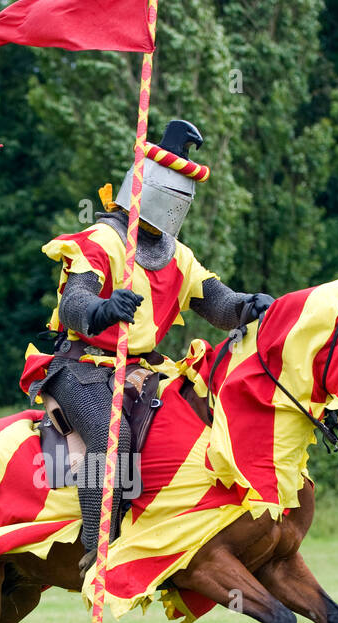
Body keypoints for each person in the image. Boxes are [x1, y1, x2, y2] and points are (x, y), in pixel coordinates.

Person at [29, 119, 273, 568]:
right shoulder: (103, 241)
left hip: (143, 371)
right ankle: (95, 543)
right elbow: (74, 303)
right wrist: (103, 311)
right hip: (83, 366)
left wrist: (252, 306)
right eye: (174, 195)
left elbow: (217, 303)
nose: (179, 207)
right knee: (112, 434)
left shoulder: (178, 256)